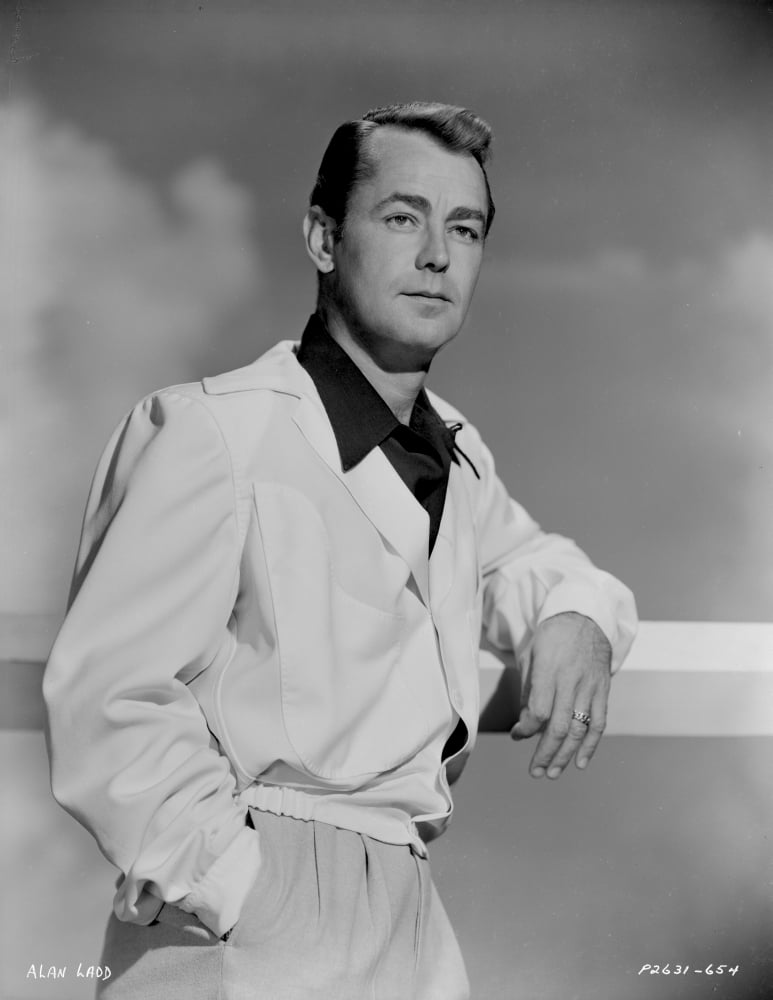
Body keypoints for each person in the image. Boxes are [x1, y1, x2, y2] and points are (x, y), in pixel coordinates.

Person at [43, 102, 637, 1000]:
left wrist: (579, 615)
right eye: (402, 218)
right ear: (324, 238)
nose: (437, 254)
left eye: (464, 228)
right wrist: (242, 888)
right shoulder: (212, 429)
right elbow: (109, 696)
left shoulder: (455, 455)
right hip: (246, 906)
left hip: (408, 906)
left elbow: (533, 564)